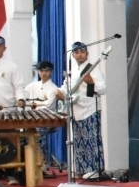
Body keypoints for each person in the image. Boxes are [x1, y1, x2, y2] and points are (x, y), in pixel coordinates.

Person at [58, 41, 106, 179]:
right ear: (72, 55)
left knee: (92, 140)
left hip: (90, 109)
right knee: (79, 141)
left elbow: (102, 88)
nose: (80, 55)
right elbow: (66, 87)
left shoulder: (92, 68)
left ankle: (95, 169)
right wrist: (59, 93)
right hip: (76, 110)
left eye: (82, 52)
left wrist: (91, 82)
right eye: (77, 52)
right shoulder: (73, 71)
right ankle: (81, 168)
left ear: (87, 53)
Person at [24, 60, 61, 174]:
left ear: (51, 72)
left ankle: (42, 163)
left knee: (37, 134)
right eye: (41, 71)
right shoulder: (32, 86)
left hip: (47, 120)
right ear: (38, 72)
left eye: (47, 71)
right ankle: (28, 163)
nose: (44, 73)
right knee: (22, 134)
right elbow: (23, 98)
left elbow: (47, 105)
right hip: (32, 119)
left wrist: (32, 106)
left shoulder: (53, 88)